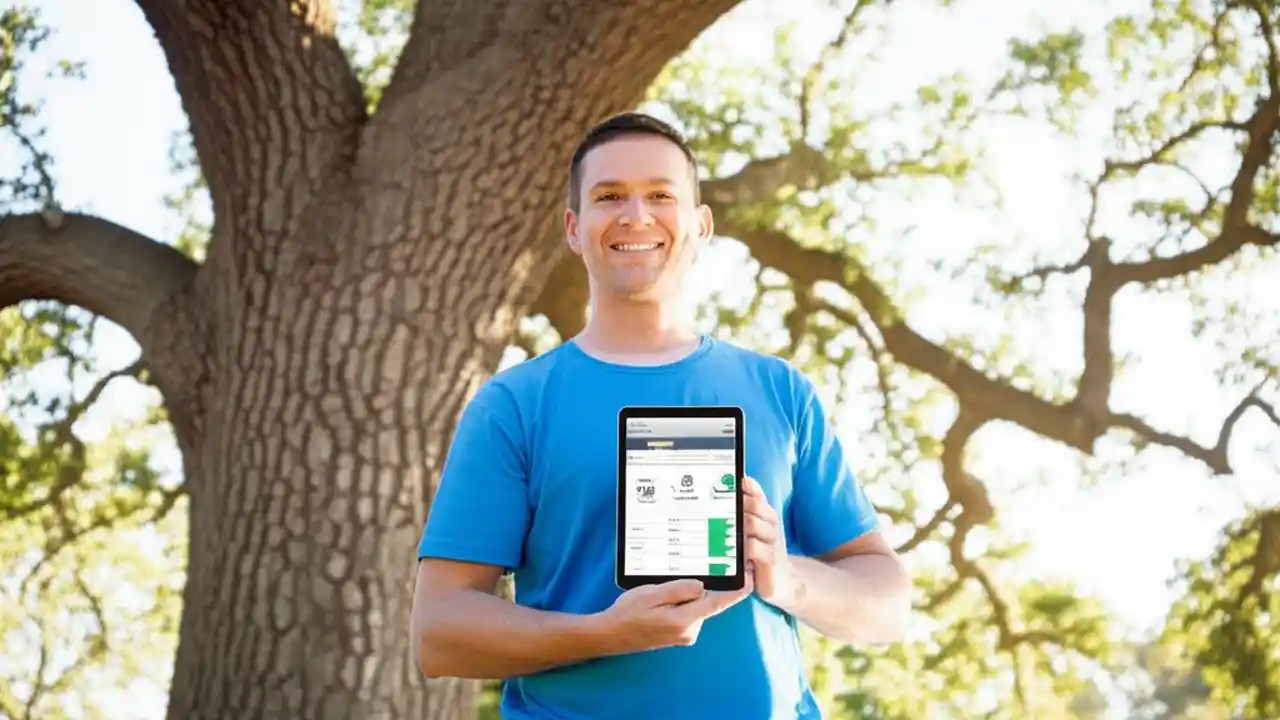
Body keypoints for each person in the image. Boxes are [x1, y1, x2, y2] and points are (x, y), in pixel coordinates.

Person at [410, 112, 911, 719]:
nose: (636, 215)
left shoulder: (780, 390)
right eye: (609, 196)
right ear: (574, 227)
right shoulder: (514, 405)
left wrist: (787, 576)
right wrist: (605, 632)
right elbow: (437, 632)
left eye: (661, 195)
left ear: (701, 225)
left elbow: (888, 604)